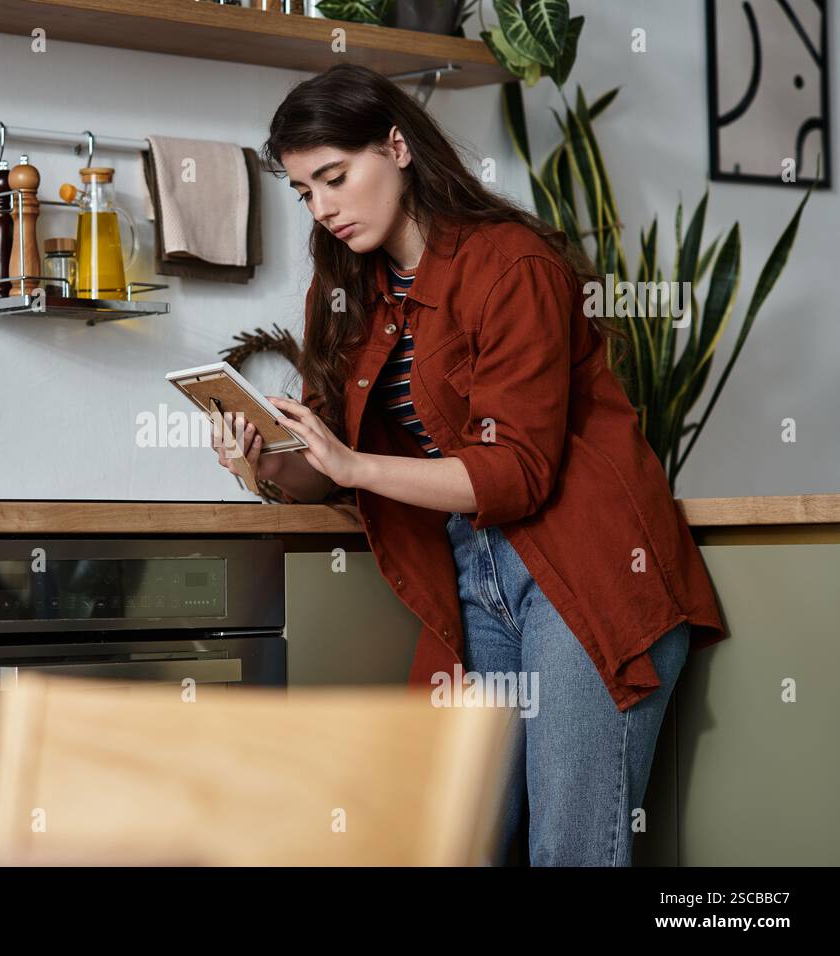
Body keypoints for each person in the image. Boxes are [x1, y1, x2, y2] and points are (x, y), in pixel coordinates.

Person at [212, 63, 727, 866]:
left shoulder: (510, 264)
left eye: (335, 178)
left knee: (573, 852)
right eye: (304, 191)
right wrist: (267, 465)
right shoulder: (345, 285)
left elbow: (515, 473)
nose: (323, 208)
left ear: (397, 146)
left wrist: (349, 464)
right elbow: (339, 463)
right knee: (456, 841)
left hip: (582, 573)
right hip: (472, 581)